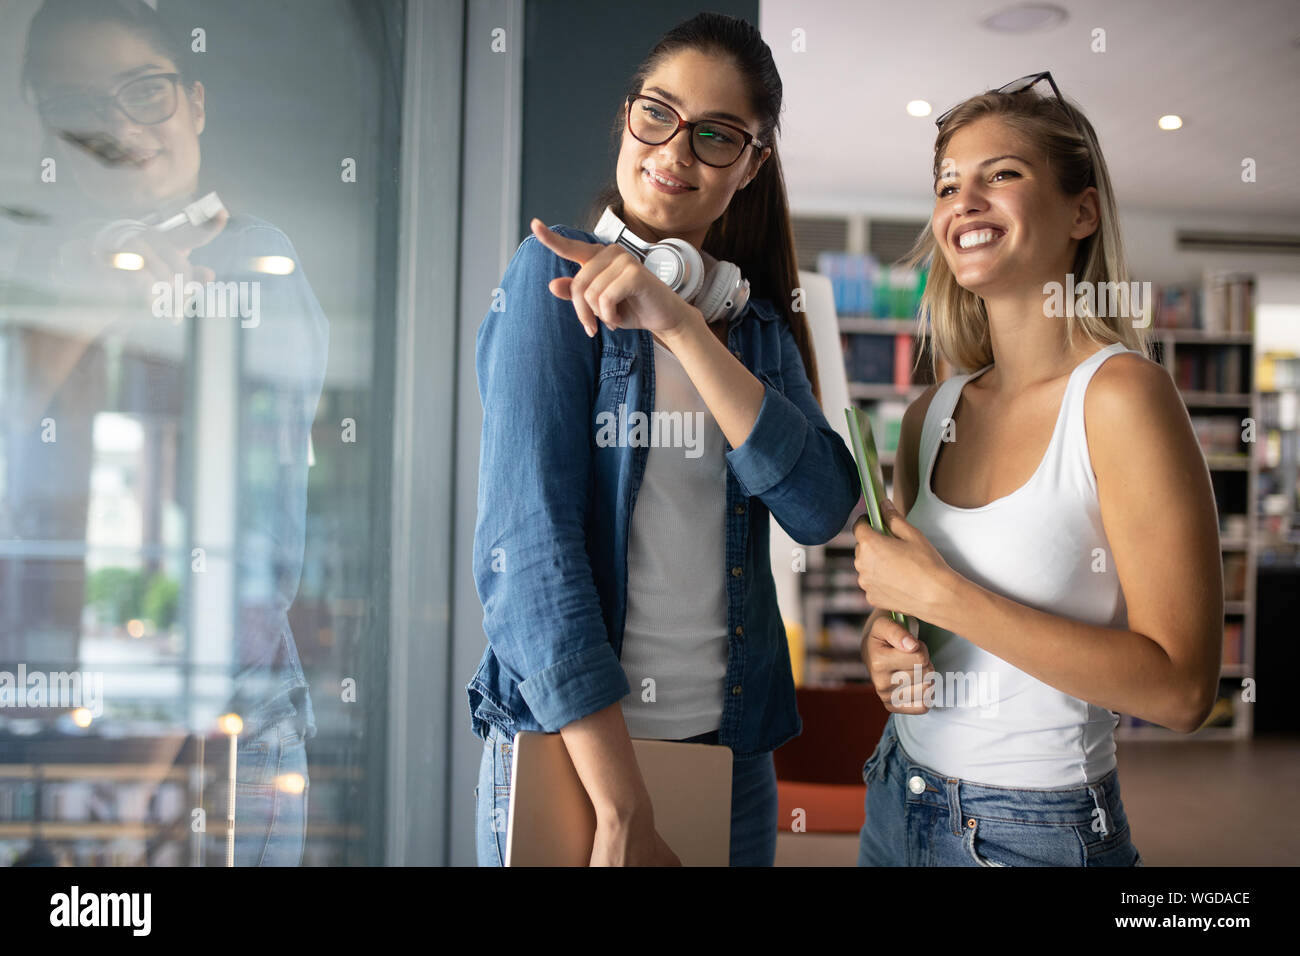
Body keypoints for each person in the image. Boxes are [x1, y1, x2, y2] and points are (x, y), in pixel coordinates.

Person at [469, 12, 859, 866]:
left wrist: (683, 326)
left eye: (718, 136)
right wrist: (623, 809)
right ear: (628, 116)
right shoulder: (547, 282)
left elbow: (824, 506)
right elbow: (526, 550)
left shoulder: (751, 331)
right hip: (576, 760)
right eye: (659, 113)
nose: (676, 152)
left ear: (753, 165)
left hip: (733, 752)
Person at [853, 72, 1223, 866]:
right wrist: (888, 645)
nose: (964, 201)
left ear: (1081, 212)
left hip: (1032, 830)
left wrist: (947, 595)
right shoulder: (931, 415)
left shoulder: (1121, 397)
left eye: (1002, 175)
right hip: (896, 792)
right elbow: (921, 622)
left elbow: (1183, 691)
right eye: (949, 183)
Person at [8, 0, 328, 865]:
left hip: (209, 737)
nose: (116, 127)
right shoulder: (35, 276)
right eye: (80, 103)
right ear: (46, 122)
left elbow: (249, 559)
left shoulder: (257, 266)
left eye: (143, 92)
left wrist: (145, 771)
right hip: (45, 718)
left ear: (193, 102)